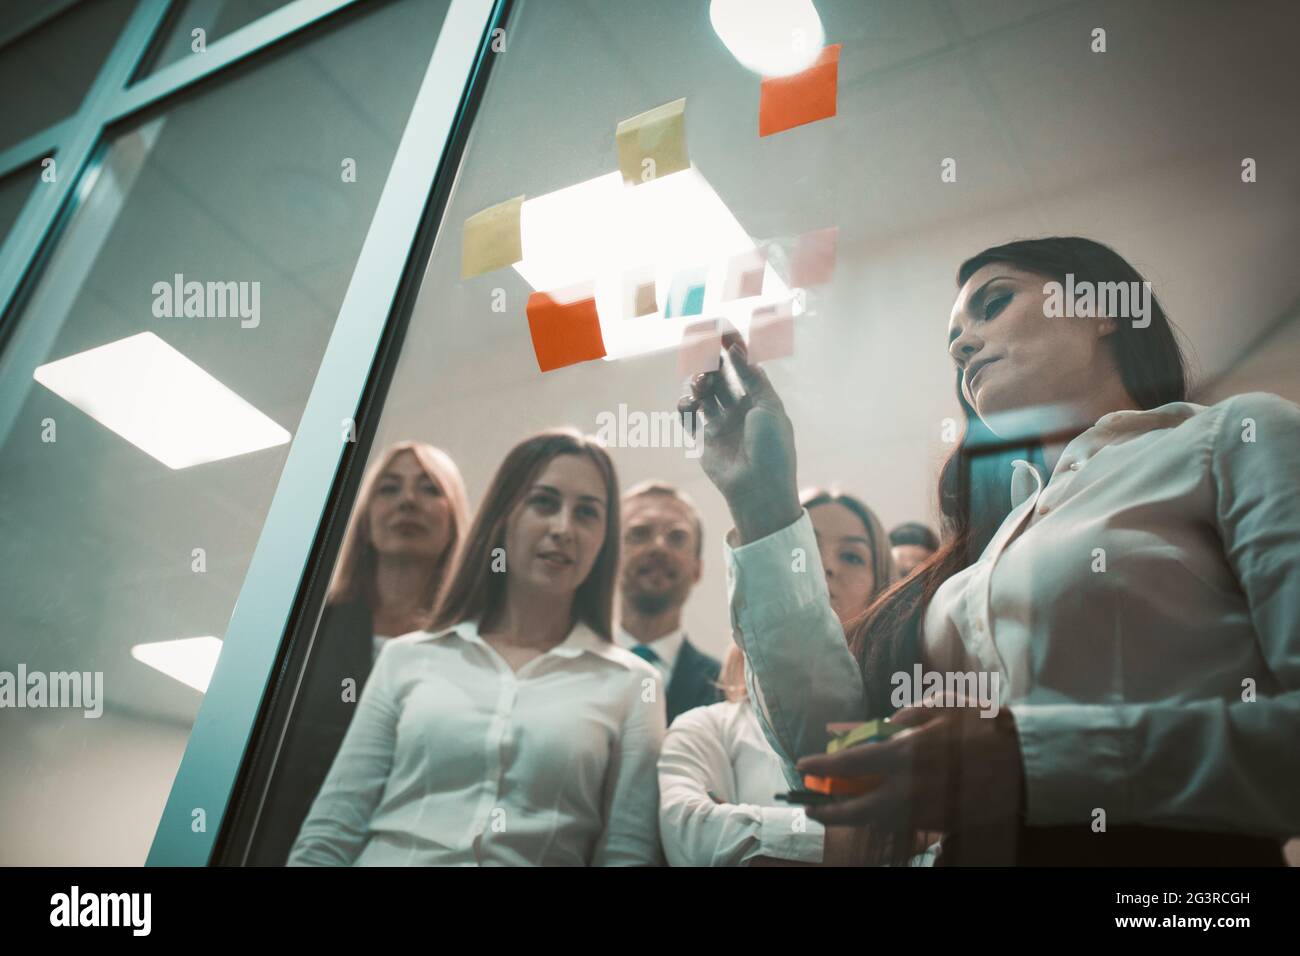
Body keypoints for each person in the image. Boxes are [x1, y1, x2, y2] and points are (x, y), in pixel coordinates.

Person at [678, 236, 1300, 865]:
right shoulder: (987, 555)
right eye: (953, 337)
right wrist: (762, 505)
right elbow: (835, 756)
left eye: (993, 304)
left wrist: (1025, 760)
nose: (960, 345)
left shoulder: (1235, 438)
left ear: (1106, 307)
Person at [289, 429, 664, 866]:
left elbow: (626, 853)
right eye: (543, 502)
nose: (563, 528)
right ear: (503, 517)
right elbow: (333, 828)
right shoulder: (408, 657)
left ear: (604, 541)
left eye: (586, 513)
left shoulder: (634, 684)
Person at [254, 441, 469, 865]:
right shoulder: (305, 629)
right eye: (389, 489)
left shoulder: (470, 646)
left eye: (429, 489)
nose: (407, 500)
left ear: (455, 521)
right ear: (366, 522)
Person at [657, 489, 895, 866]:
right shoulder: (704, 730)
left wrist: (743, 826)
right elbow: (694, 839)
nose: (827, 566)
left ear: (881, 590)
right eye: (806, 546)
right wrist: (877, 841)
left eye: (852, 555)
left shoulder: (901, 737)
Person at [616, 481, 721, 725]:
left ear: (698, 568)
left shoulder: (726, 686)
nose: (659, 547)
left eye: (677, 537)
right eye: (639, 533)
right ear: (609, 557)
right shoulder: (567, 667)